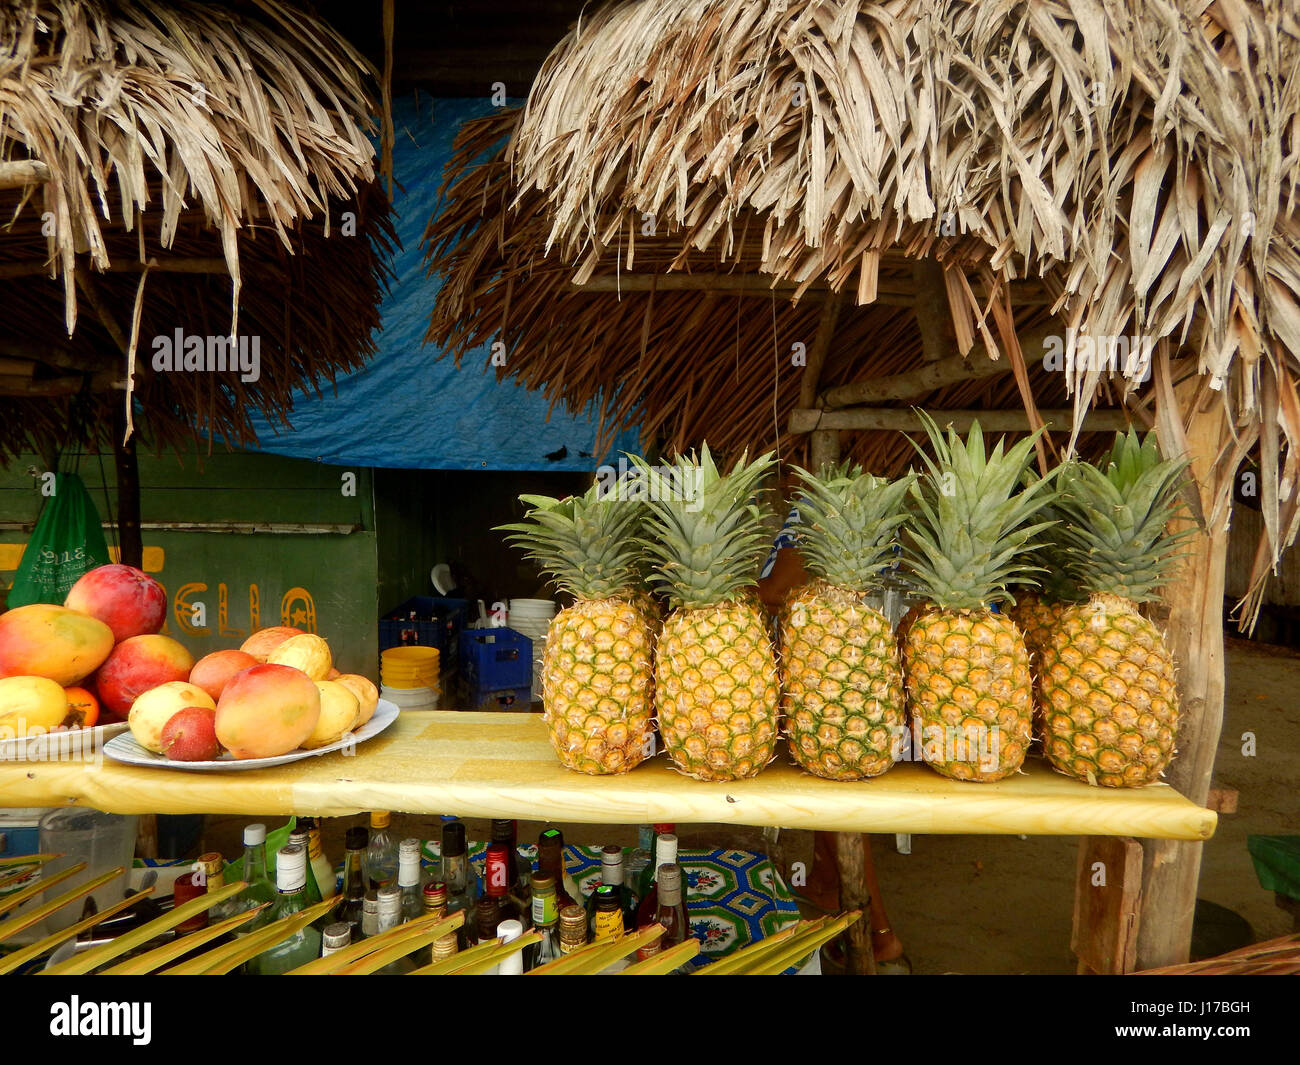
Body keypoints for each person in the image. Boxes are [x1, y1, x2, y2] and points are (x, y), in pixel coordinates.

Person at [756, 486, 908, 972]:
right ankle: (828, 891)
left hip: (837, 677)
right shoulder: (874, 507)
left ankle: (880, 936)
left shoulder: (822, 508)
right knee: (832, 783)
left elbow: (777, 591)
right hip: (861, 678)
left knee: (839, 788)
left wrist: (727, 595)